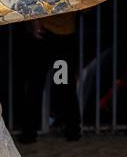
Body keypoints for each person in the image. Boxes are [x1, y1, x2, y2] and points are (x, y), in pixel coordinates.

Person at [16, 12, 82, 143]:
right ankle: (71, 130)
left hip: (45, 33)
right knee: (60, 82)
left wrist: (34, 22)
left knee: (37, 84)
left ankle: (29, 133)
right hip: (60, 35)